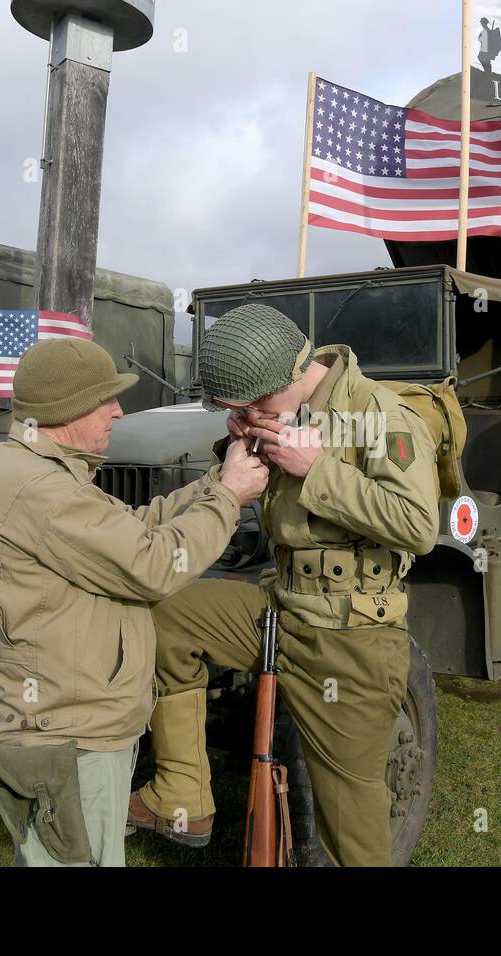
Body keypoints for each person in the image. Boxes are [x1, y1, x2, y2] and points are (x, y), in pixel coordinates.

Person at [128, 303, 440, 866]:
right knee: (166, 611)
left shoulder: (382, 416)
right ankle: (183, 793)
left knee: (350, 823)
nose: (247, 414)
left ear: (279, 382)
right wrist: (239, 448)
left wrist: (317, 469)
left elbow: (418, 526)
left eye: (249, 406)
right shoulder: (283, 412)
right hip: (281, 607)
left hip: (351, 640)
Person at [0, 335, 268, 867]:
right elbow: (154, 565)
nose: (118, 411)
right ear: (69, 409)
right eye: (105, 400)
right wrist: (227, 499)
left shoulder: (42, 472)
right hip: (71, 738)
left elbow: (134, 528)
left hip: (64, 726)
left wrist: (217, 481)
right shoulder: (43, 490)